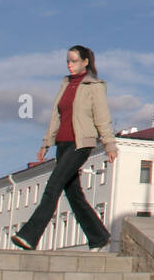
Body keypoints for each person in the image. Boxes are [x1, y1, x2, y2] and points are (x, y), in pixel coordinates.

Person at [12, 45, 118, 251]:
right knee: (74, 195)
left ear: (85, 62)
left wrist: (109, 145)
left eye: (74, 61)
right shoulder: (65, 84)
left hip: (81, 144)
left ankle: (29, 236)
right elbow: (56, 117)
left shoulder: (94, 87)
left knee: (53, 187)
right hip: (62, 144)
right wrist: (46, 144)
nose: (70, 65)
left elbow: (102, 118)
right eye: (68, 61)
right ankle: (98, 235)